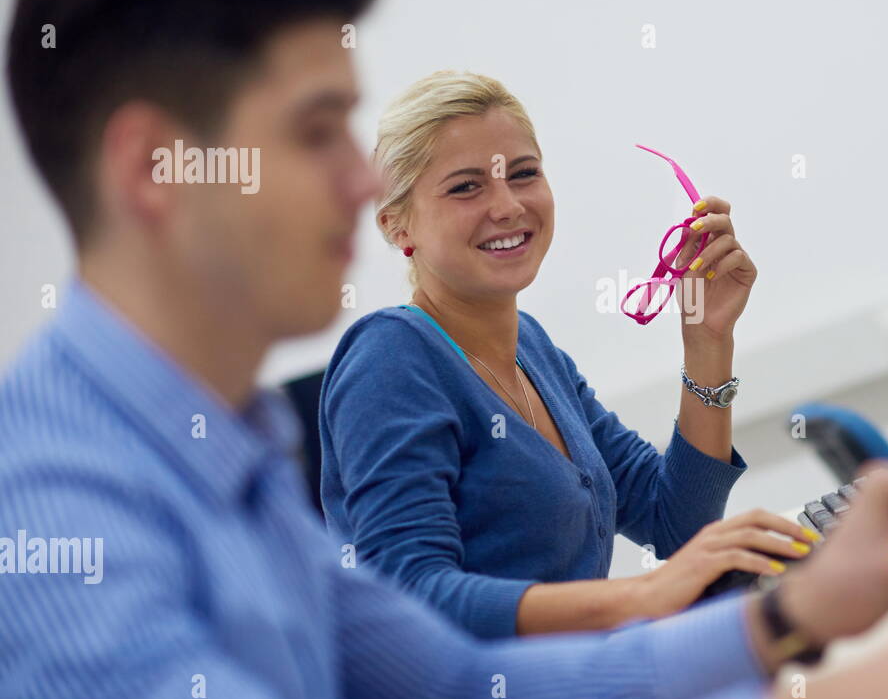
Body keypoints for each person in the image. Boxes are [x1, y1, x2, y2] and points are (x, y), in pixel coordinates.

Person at [0, 0, 888, 699]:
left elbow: (461, 692)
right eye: (316, 133)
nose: (357, 180)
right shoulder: (50, 509)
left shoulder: (228, 453)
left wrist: (787, 619)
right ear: (158, 171)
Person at [319, 69, 812, 638]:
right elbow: (415, 597)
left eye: (524, 174)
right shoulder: (390, 356)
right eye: (466, 186)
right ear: (397, 224)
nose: (506, 206)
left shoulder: (532, 347)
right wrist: (640, 597)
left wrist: (708, 342)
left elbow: (676, 524)